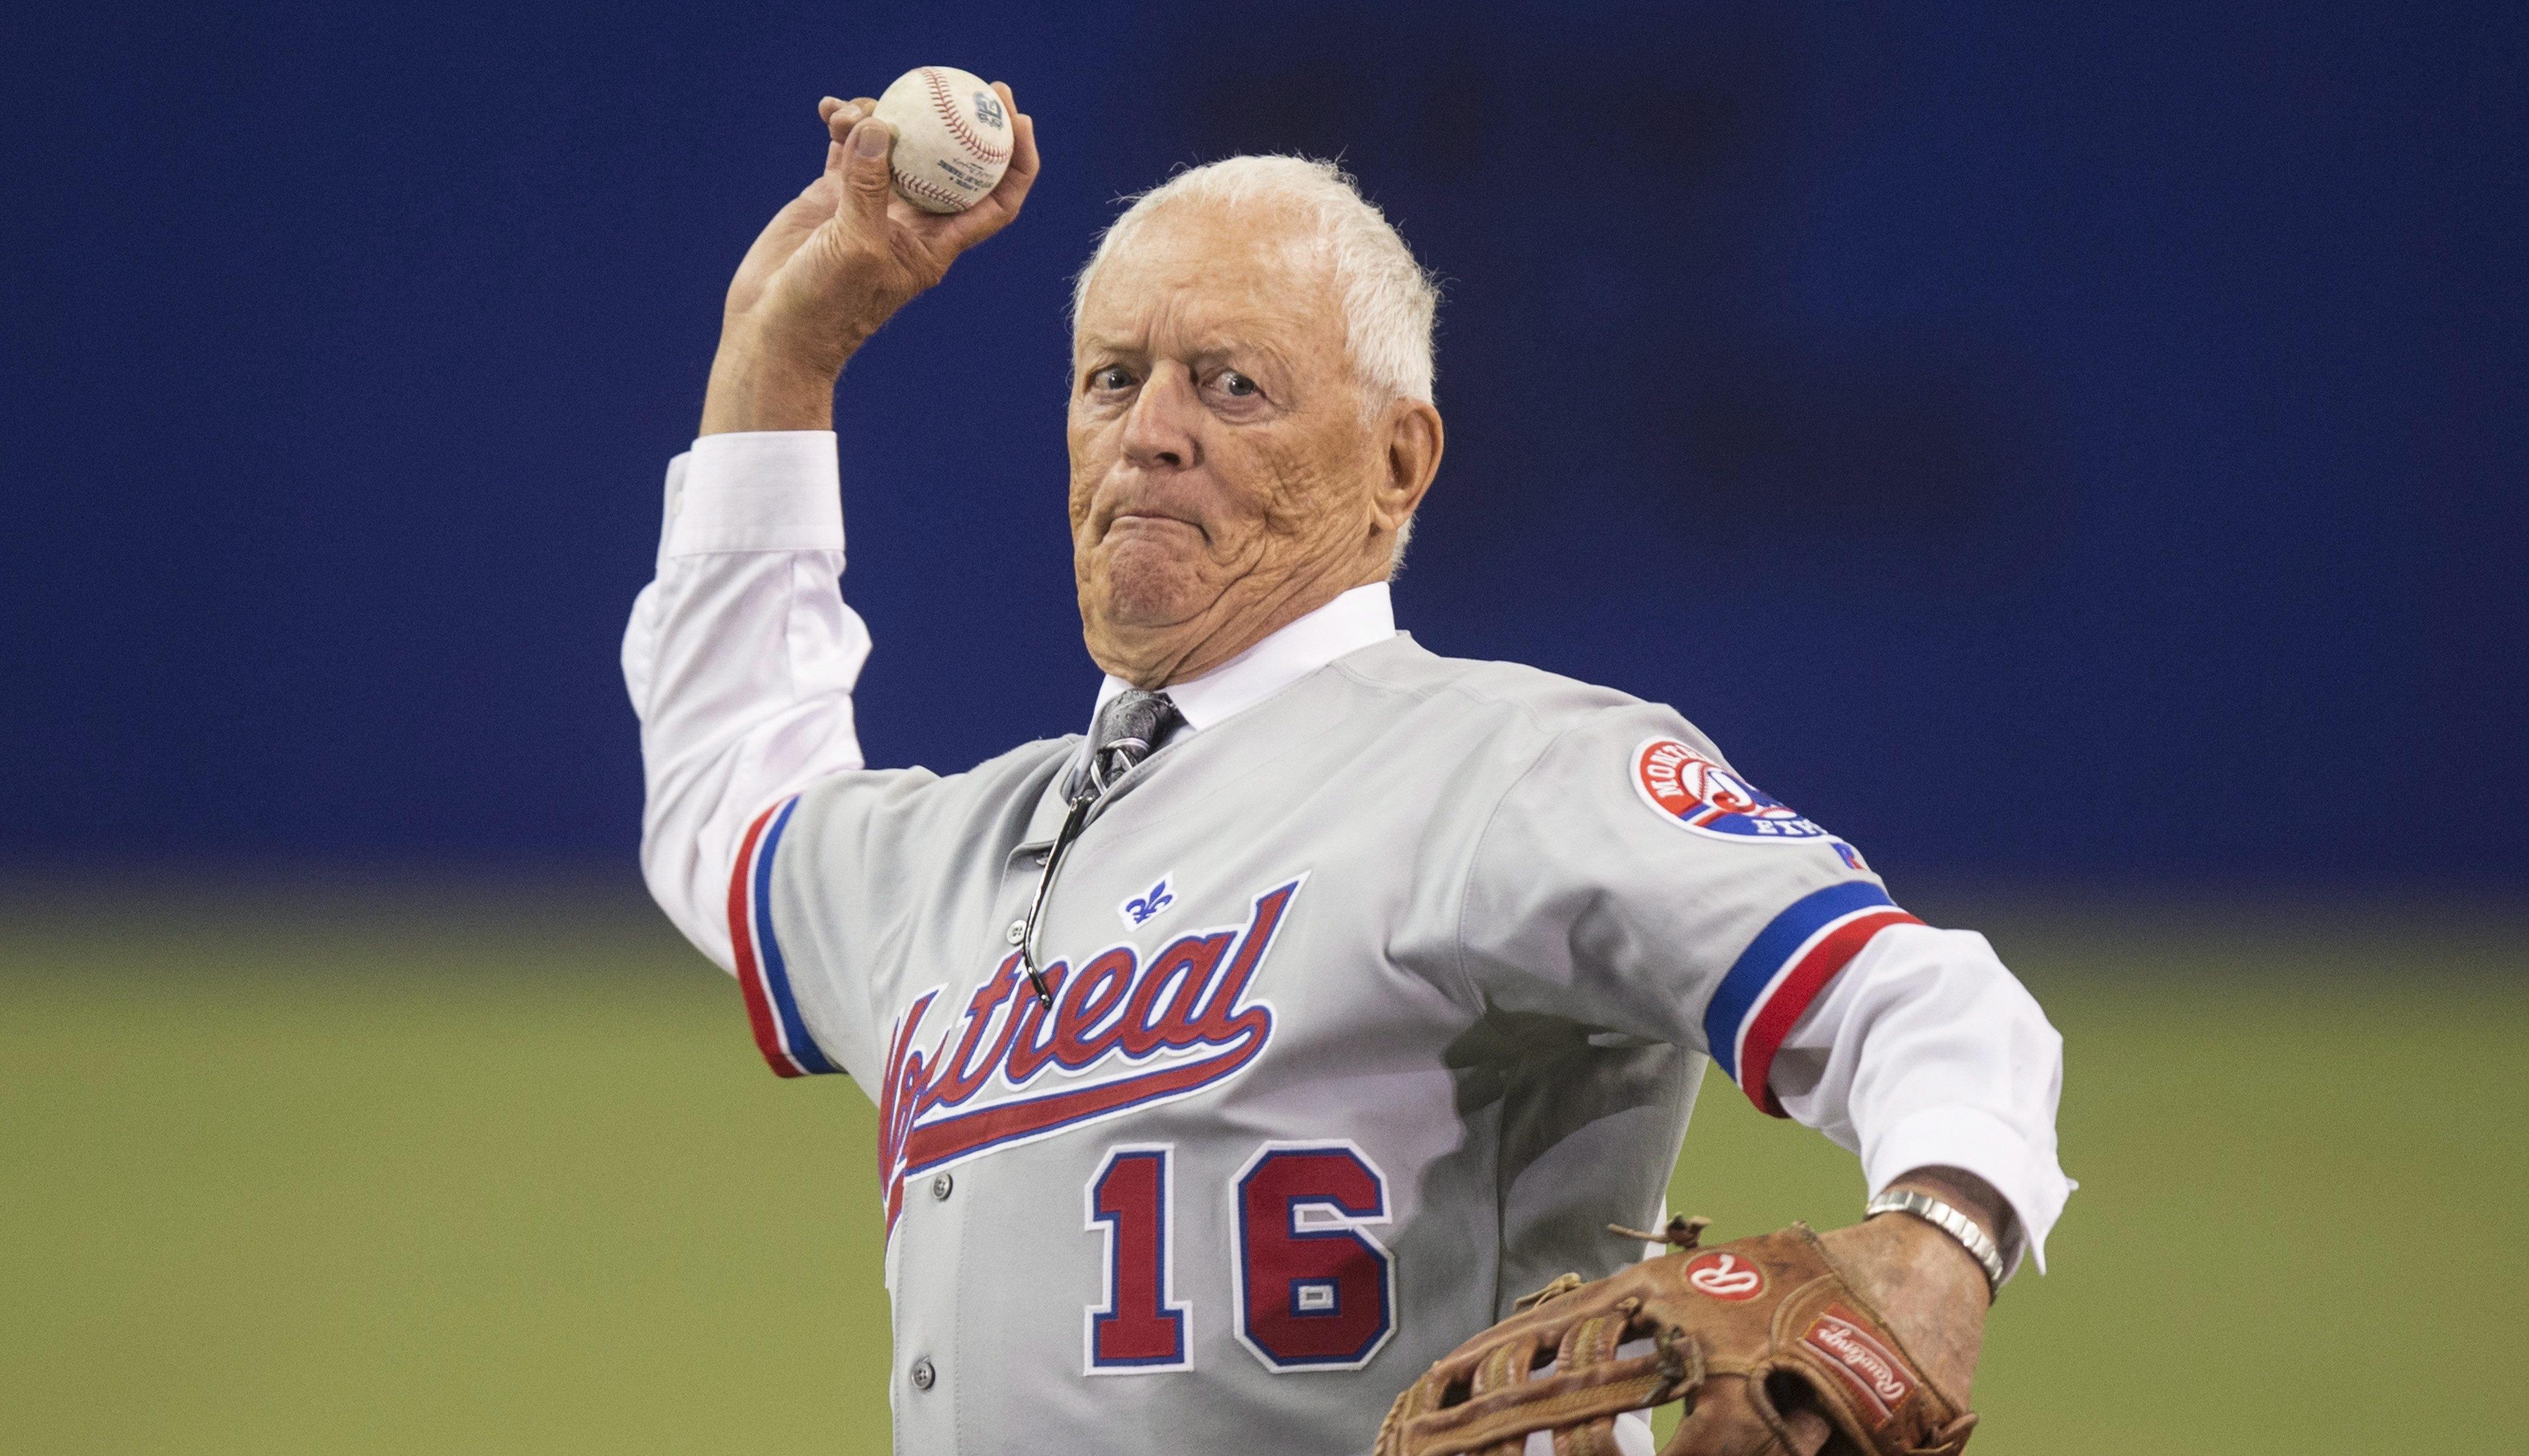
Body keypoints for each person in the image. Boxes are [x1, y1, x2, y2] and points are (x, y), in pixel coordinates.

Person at [624, 83, 2069, 1456]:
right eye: (1113, 379)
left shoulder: (1504, 771)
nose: (1154, 431)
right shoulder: (956, 851)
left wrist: (1939, 1244)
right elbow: (729, 803)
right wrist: (781, 357)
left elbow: (1916, 999)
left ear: (1398, 463)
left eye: (1231, 384)